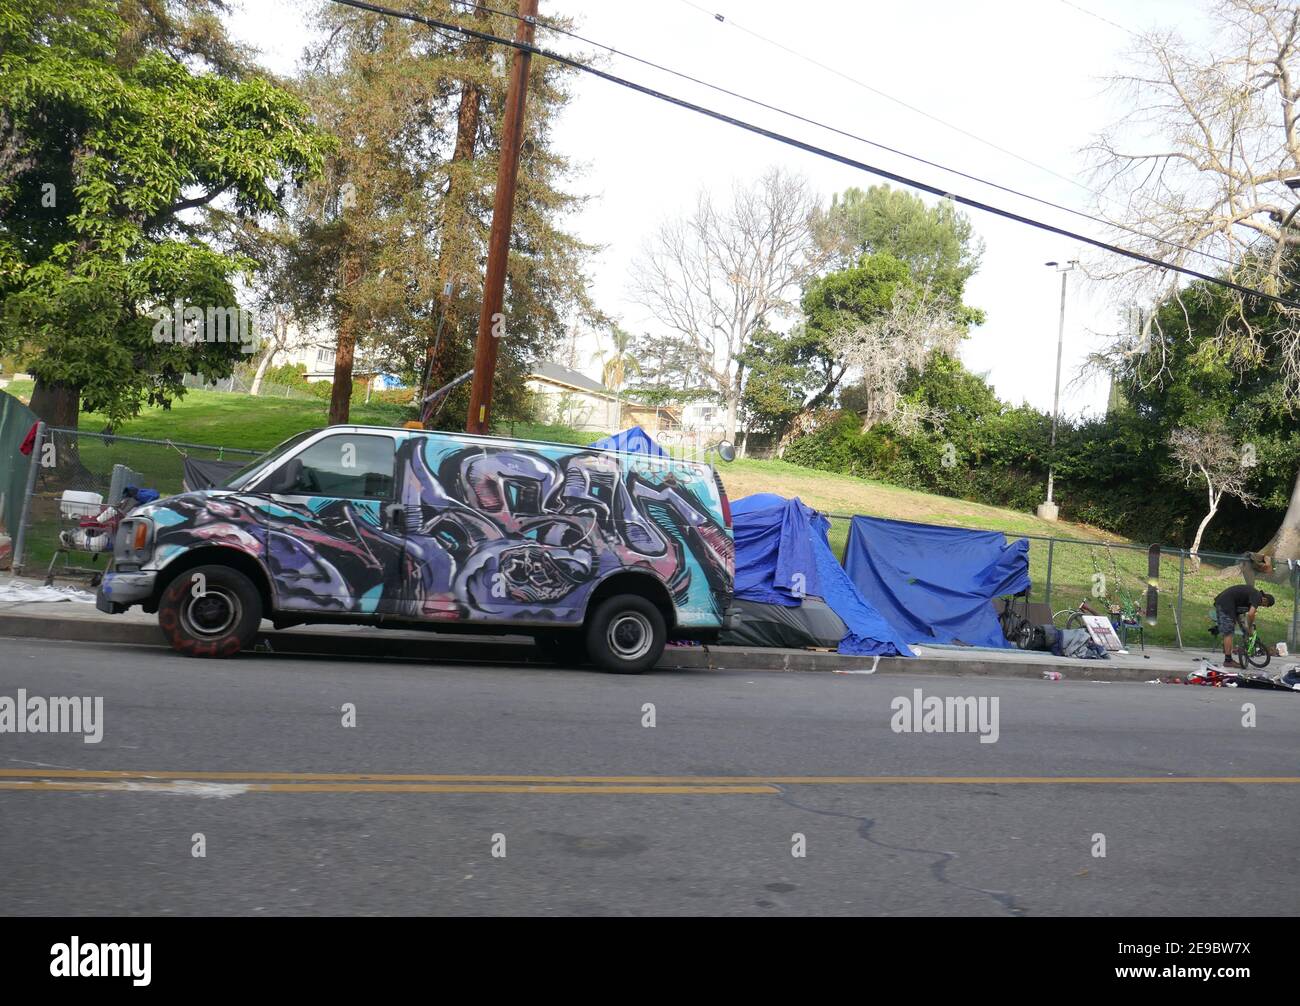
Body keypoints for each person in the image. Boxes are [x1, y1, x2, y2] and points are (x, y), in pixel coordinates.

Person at [1213, 583, 1274, 667]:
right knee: (1228, 632)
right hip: (1225, 604)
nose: (1261, 606)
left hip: (1230, 605)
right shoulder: (1257, 596)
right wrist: (1249, 627)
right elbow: (1251, 614)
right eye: (1263, 605)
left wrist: (1246, 628)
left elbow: (1243, 615)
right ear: (1265, 599)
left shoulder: (1251, 596)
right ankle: (1228, 661)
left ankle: (1230, 655)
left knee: (1236, 631)